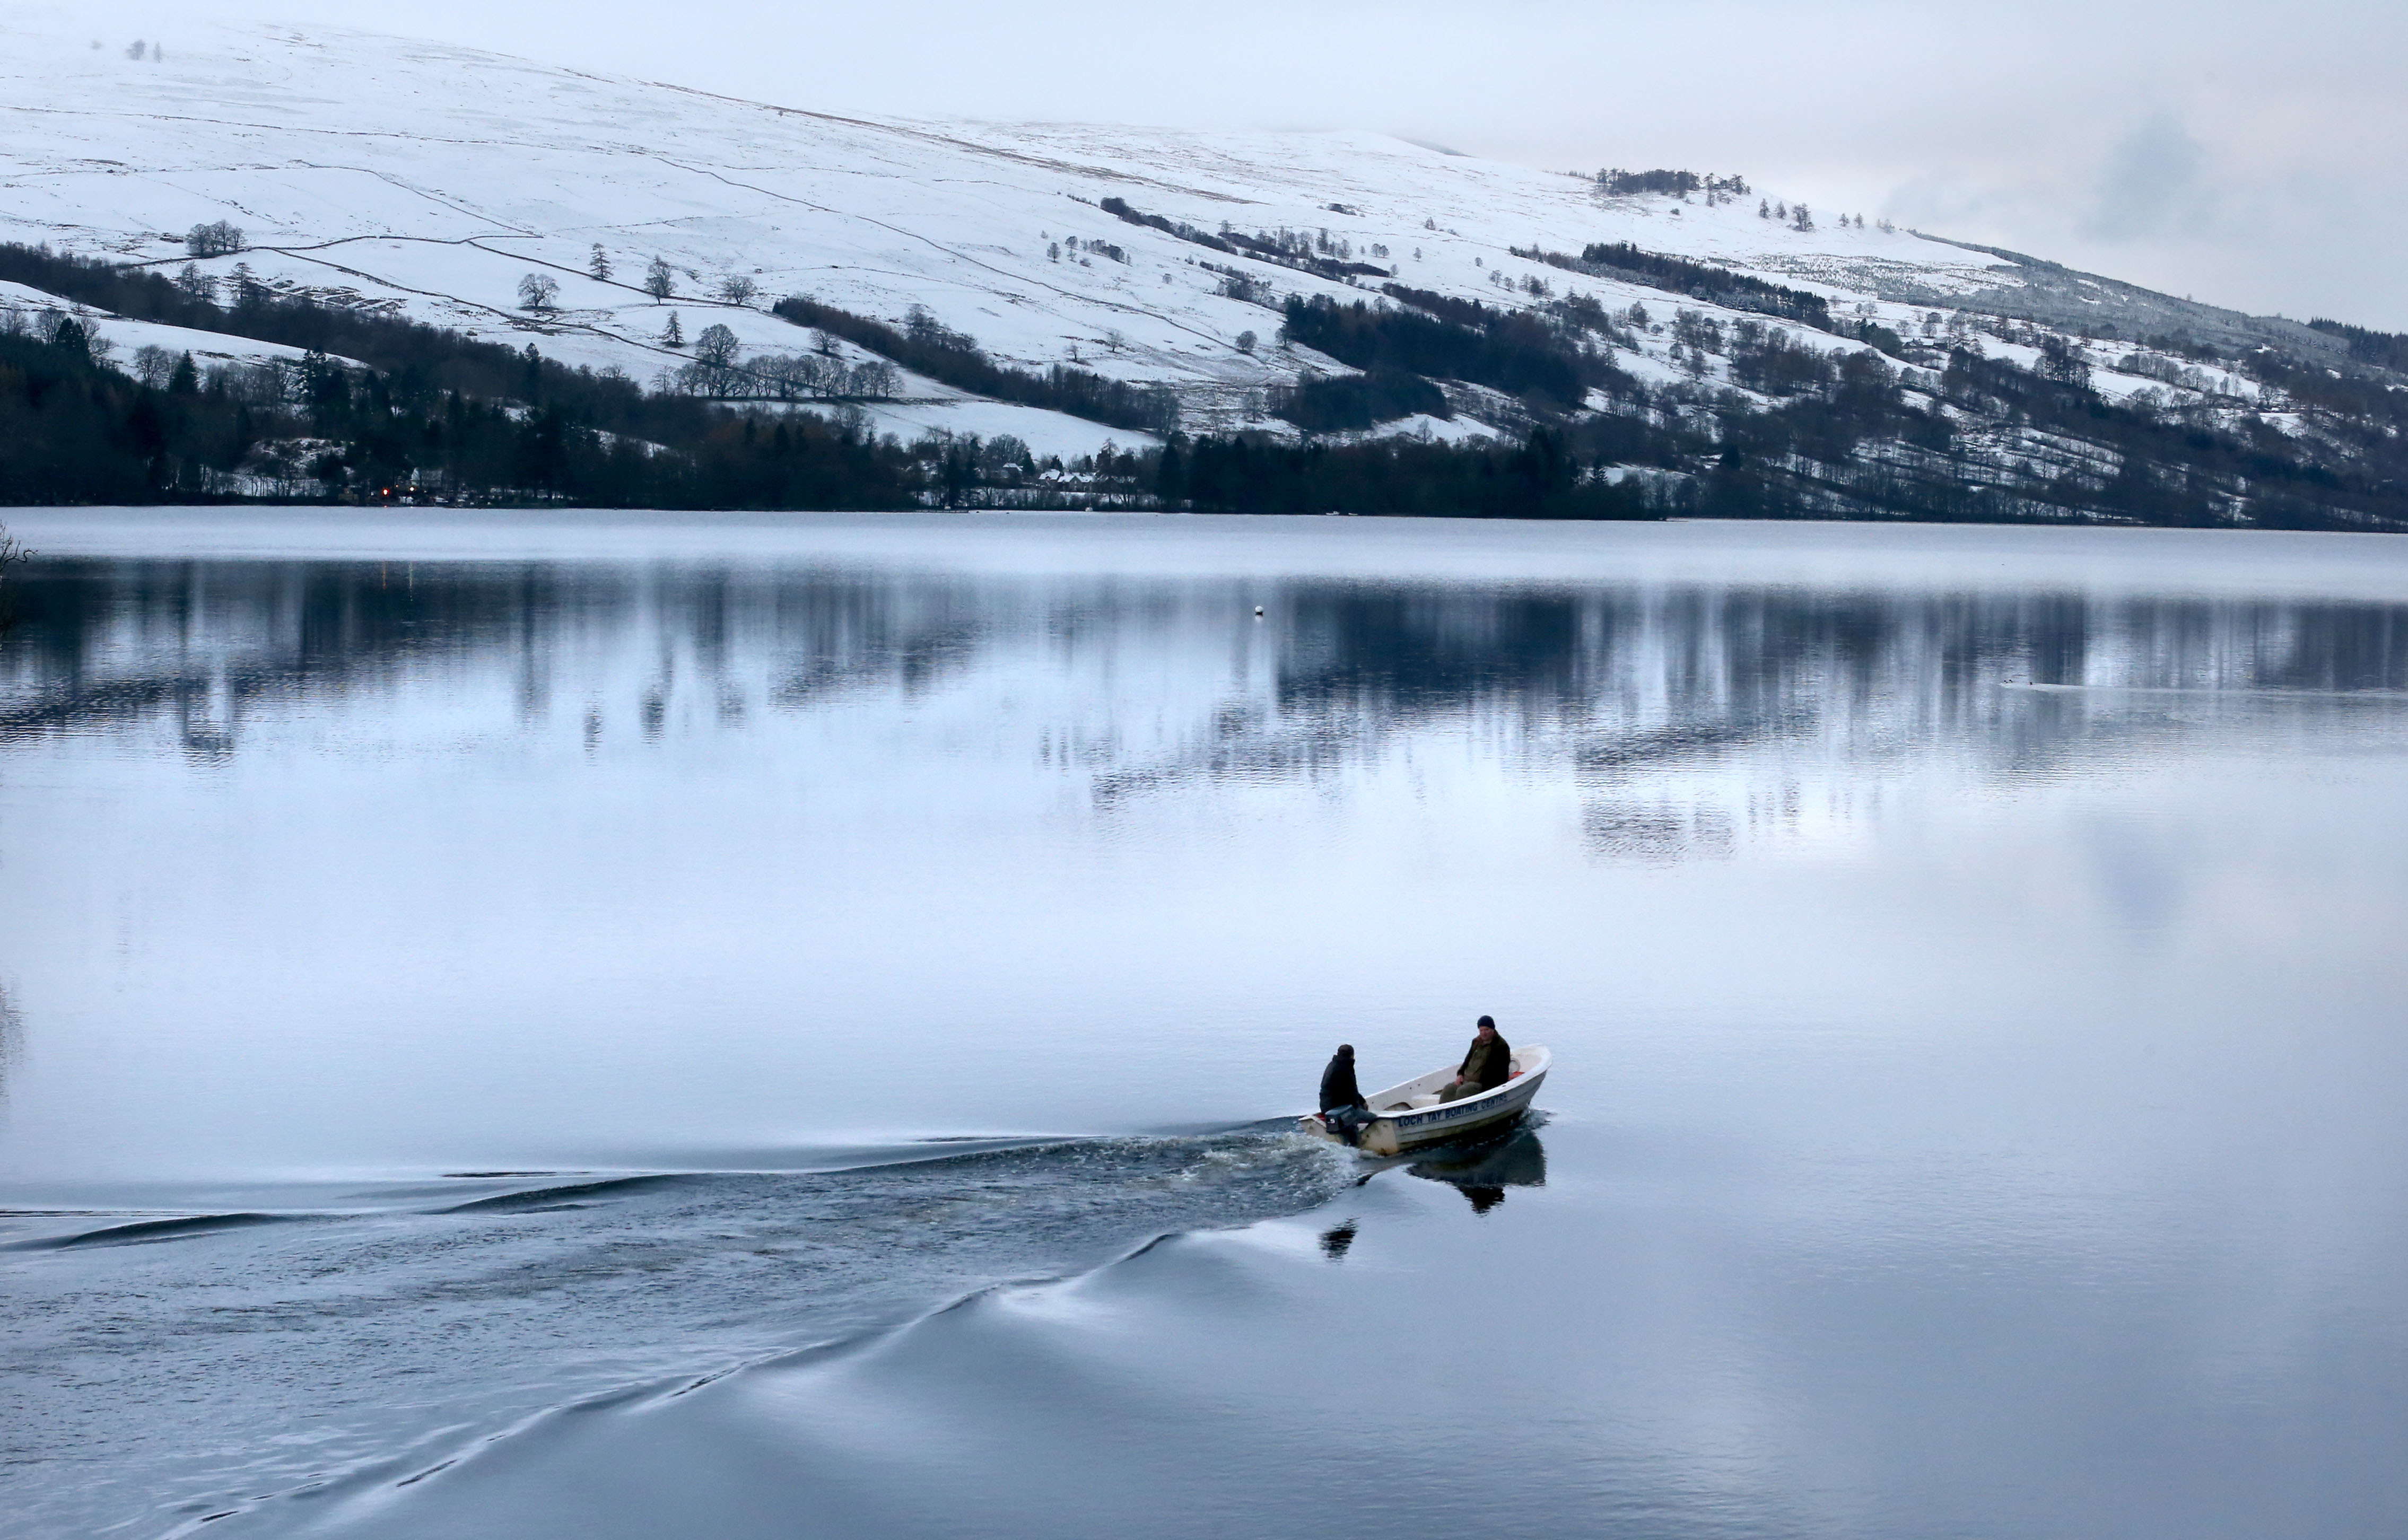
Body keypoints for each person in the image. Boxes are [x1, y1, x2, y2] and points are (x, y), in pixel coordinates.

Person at [1437, 1016, 1511, 1103]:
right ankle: (1443, 1110)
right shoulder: (1476, 1042)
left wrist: (1487, 1088)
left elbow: (1501, 1072)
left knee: (1463, 1091)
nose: (1484, 1033)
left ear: (1493, 1029)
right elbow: (1467, 1060)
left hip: (1483, 1084)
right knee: (1448, 1090)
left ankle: (1464, 1110)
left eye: (1487, 1030)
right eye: (1481, 1031)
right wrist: (1460, 1074)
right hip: (1466, 1080)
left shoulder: (1500, 1046)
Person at [1319, 1044, 1374, 1147]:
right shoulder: (1344, 1068)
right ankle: (1360, 1143)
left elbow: (1349, 1090)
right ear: (1352, 1055)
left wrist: (1361, 1101)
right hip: (1338, 1107)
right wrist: (1358, 1106)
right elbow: (1349, 1093)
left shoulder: (1332, 1065)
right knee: (1375, 1119)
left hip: (1326, 1107)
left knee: (1357, 1111)